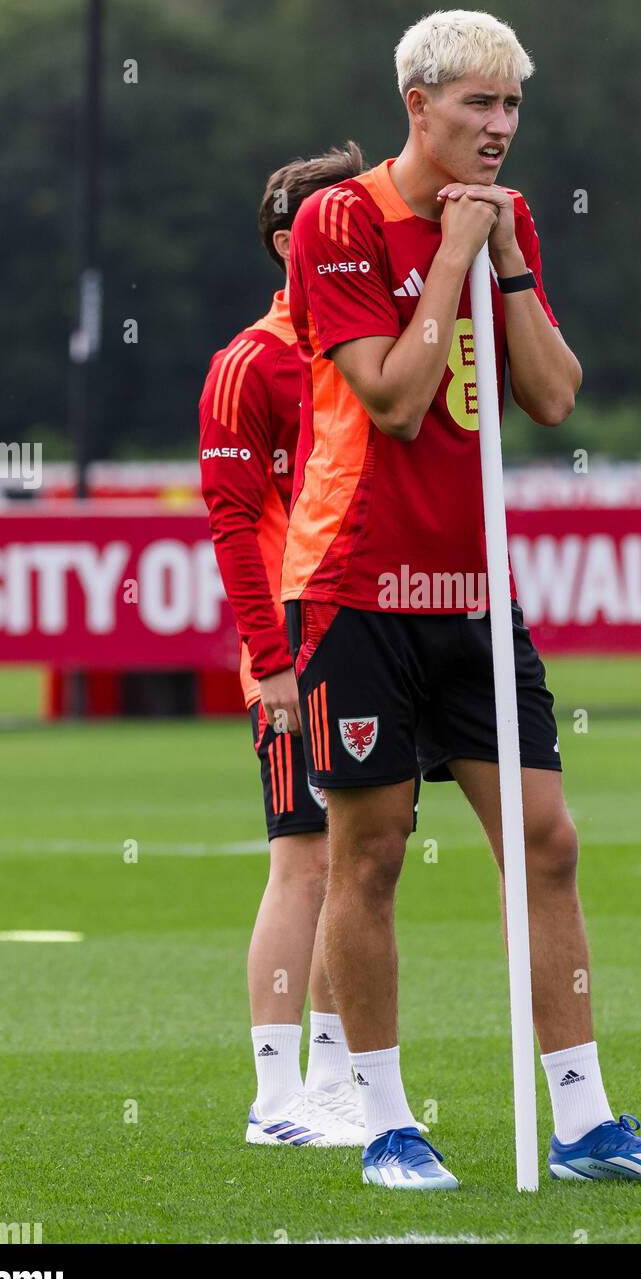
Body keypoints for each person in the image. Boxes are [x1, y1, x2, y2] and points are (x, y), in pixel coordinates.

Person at [281, 10, 641, 1188]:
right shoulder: (338, 220)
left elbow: (554, 396)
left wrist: (504, 259)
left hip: (475, 593)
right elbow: (392, 397)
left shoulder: (505, 217)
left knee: (546, 845)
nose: (499, 128)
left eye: (512, 106)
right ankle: (384, 1121)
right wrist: (445, 261)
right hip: (356, 586)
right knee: (367, 854)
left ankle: (583, 1121)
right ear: (417, 104)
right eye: (478, 104)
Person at [199, 142, 369, 1148]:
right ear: (285, 242)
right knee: (302, 860)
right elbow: (230, 522)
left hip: (369, 634)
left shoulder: (360, 352)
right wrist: (268, 659)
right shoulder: (247, 365)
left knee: (359, 863)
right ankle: (276, 1096)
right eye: (332, 217)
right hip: (295, 649)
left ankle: (339, 1081)